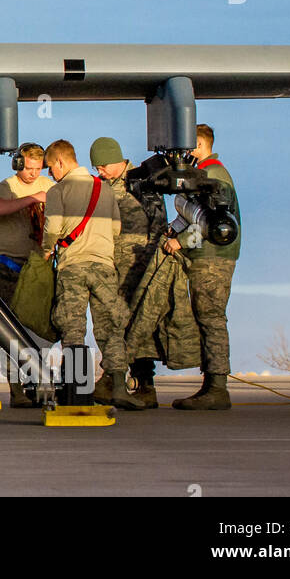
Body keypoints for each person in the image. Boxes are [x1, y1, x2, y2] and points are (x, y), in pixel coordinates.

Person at [41, 140, 146, 411]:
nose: (50, 174)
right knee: (111, 328)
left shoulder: (57, 191)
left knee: (73, 328)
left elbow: (52, 229)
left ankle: (77, 392)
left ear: (61, 162)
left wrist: (46, 248)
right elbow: (115, 228)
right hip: (104, 266)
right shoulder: (104, 189)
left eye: (51, 168)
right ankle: (119, 387)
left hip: (72, 267)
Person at [163, 124, 240, 410]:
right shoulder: (211, 173)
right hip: (210, 257)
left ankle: (217, 387)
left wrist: (179, 242)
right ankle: (212, 385)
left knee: (211, 318)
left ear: (196, 144)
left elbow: (218, 223)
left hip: (212, 258)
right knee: (208, 317)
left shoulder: (213, 176)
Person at [90, 137, 168, 407]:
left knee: (140, 324)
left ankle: (144, 384)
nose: (100, 171)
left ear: (116, 160)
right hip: (113, 267)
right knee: (115, 324)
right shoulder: (104, 186)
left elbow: (159, 223)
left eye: (103, 166)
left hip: (139, 265)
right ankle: (114, 378)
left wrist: (152, 263)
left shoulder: (142, 182)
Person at [0, 142, 54, 407]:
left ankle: (38, 382)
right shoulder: (7, 186)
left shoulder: (49, 186)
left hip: (37, 268)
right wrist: (33, 198)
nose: (33, 174)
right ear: (18, 165)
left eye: (38, 168)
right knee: (7, 328)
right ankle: (15, 389)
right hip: (9, 266)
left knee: (38, 328)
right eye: (28, 168)